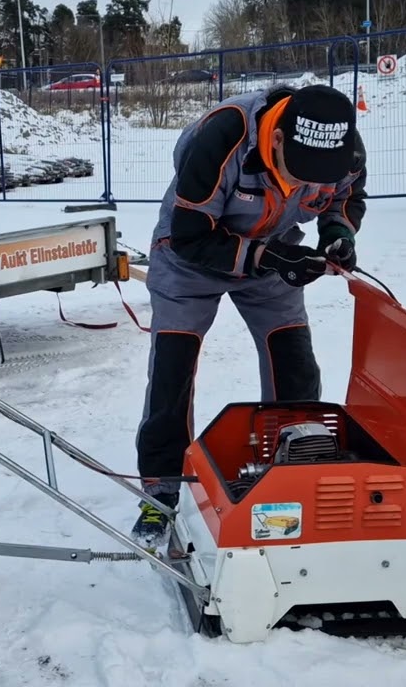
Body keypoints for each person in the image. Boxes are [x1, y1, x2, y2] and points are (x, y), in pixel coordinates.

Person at [130, 83, 367, 549]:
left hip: (272, 254)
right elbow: (191, 235)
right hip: (190, 259)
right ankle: (160, 494)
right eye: (297, 172)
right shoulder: (224, 136)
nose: (304, 185)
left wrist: (338, 233)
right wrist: (269, 259)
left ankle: (291, 477)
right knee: (173, 373)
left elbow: (345, 199)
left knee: (294, 364)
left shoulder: (344, 150)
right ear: (277, 139)